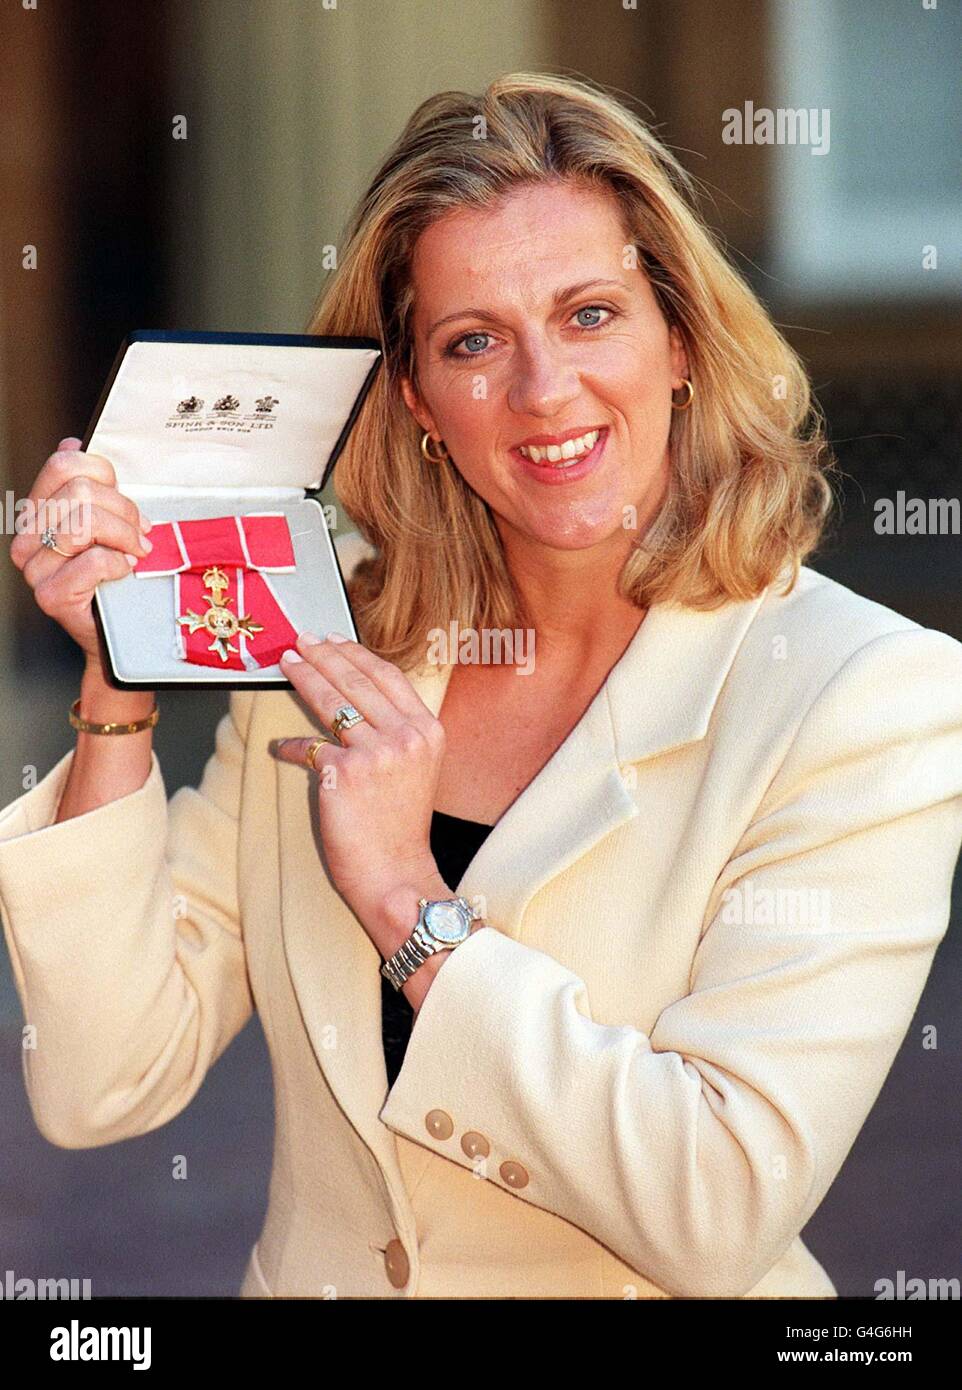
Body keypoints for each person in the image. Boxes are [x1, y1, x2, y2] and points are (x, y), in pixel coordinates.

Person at [2, 71, 961, 1301]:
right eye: (472, 342)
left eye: (589, 314)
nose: (543, 389)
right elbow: (103, 1082)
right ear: (412, 399)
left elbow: (715, 1203)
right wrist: (116, 672)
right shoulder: (325, 636)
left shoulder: (869, 700)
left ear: (678, 338)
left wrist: (408, 902)